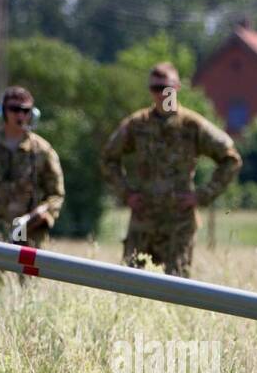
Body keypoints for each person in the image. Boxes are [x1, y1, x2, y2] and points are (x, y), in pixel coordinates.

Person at [100, 62, 241, 277]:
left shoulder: (192, 125)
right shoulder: (137, 124)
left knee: (177, 287)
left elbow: (230, 159)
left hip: (179, 224)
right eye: (156, 88)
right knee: (131, 286)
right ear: (150, 91)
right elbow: (108, 158)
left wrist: (202, 195)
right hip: (143, 222)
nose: (161, 93)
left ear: (176, 88)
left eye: (166, 88)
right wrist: (126, 193)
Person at [0, 86, 65, 248]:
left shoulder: (43, 150)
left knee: (26, 273)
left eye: (26, 110)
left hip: (28, 232)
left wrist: (37, 217)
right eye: (15, 109)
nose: (20, 115)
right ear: (4, 111)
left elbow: (56, 194)